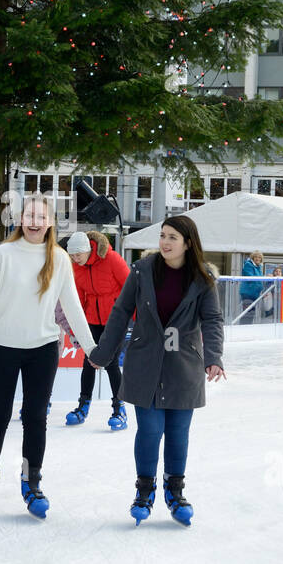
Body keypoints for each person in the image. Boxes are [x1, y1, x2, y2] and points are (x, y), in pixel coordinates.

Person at [0, 195, 97, 519]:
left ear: (50, 222)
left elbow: (72, 307)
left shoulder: (59, 259)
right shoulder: (4, 253)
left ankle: (31, 481)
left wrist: (91, 348)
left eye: (40, 216)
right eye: (29, 215)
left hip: (43, 350)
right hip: (1, 347)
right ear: (20, 219)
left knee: (35, 417)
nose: (34, 221)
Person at [87, 215, 225, 527]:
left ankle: (175, 493)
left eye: (172, 237)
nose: (164, 242)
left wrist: (214, 357)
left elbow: (213, 320)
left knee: (178, 432)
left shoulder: (203, 279)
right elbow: (122, 311)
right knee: (150, 430)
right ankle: (144, 491)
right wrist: (105, 351)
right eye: (163, 235)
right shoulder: (142, 270)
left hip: (184, 366)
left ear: (188, 243)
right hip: (145, 362)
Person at [62, 230, 131, 429]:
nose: (75, 259)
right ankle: (83, 406)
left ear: (88, 250)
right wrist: (77, 326)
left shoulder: (111, 259)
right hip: (92, 319)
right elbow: (79, 296)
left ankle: (120, 408)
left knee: (109, 363)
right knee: (89, 361)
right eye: (72, 256)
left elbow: (130, 287)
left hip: (115, 320)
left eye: (78, 255)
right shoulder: (77, 267)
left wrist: (136, 318)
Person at [239, 250, 265, 323]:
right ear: (253, 258)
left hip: (255, 294)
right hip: (248, 293)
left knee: (251, 312)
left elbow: (260, 279)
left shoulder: (258, 267)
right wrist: (263, 278)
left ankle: (247, 327)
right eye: (256, 257)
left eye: (259, 257)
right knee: (248, 313)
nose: (257, 259)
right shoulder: (248, 265)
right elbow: (251, 277)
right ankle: (243, 328)